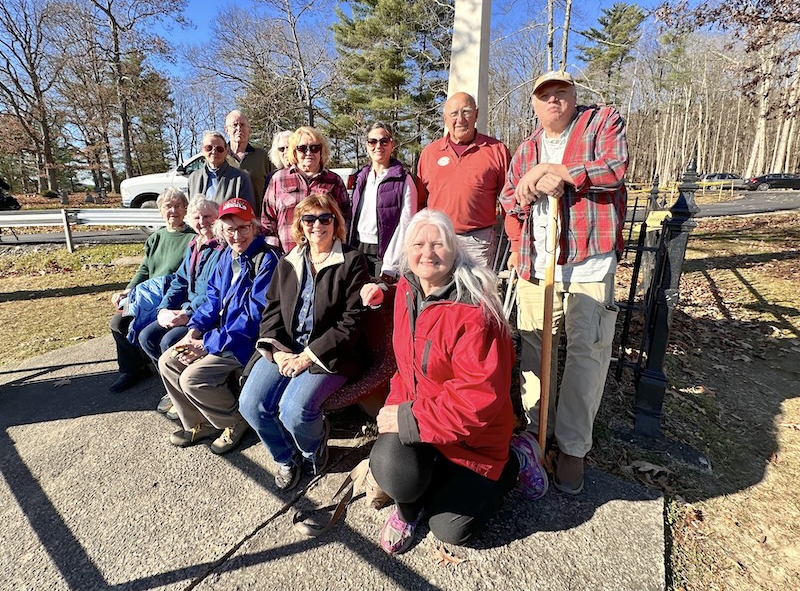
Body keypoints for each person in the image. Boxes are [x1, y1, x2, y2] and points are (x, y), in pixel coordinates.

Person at [362, 210, 547, 556]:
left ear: (455, 250)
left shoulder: (476, 313)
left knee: (450, 529)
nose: (427, 252)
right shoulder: (407, 288)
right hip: (425, 418)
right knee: (390, 465)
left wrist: (407, 419)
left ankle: (515, 460)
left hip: (475, 439)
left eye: (438, 244)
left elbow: (478, 402)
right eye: (418, 244)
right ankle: (408, 511)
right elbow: (410, 358)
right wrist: (382, 293)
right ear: (406, 251)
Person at [499, 69, 628, 495]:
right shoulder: (527, 147)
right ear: (534, 105)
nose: (553, 100)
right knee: (536, 348)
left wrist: (560, 171)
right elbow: (507, 198)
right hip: (539, 264)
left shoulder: (602, 123)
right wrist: (525, 190)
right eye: (544, 95)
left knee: (586, 355)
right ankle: (537, 434)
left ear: (573, 96)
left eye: (561, 92)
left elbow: (613, 169)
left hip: (589, 263)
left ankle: (572, 448)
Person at [240, 194, 371, 490]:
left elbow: (351, 322)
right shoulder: (289, 262)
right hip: (288, 347)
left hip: (331, 353)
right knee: (250, 403)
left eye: (325, 218)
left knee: (294, 410)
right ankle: (286, 457)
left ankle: (313, 450)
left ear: (335, 222)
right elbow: (271, 310)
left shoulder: (351, 261)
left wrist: (308, 356)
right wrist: (277, 352)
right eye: (309, 219)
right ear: (300, 224)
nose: (317, 225)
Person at [158, 198, 280, 455]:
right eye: (230, 229)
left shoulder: (266, 260)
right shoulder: (226, 255)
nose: (237, 236)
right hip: (221, 335)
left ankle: (234, 420)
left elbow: (252, 318)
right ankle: (199, 422)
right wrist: (194, 330)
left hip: (246, 343)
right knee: (168, 361)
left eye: (243, 228)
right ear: (222, 231)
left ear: (254, 227)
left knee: (193, 379)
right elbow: (213, 298)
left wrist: (206, 345)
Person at [137, 196, 225, 415]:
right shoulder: (194, 244)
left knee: (169, 341)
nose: (202, 221)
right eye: (197, 217)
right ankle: (173, 386)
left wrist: (186, 313)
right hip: (185, 309)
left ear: (217, 219)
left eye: (207, 216)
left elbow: (213, 292)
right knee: (146, 336)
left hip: (205, 313)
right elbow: (180, 281)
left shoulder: (222, 248)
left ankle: (189, 394)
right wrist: (164, 308)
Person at [109, 188, 195, 393]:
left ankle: (169, 379)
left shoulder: (192, 238)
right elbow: (145, 269)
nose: (173, 210)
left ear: (185, 209)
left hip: (171, 296)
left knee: (149, 331)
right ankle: (133, 369)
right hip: (147, 294)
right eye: (168, 206)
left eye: (178, 206)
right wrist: (128, 290)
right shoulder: (155, 238)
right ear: (160, 211)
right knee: (117, 322)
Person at [417, 92, 510, 268]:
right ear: (445, 118)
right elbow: (419, 204)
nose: (460, 119)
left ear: (477, 114)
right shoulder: (430, 153)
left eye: (466, 112)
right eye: (453, 113)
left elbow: (510, 202)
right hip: (438, 239)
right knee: (439, 293)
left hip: (478, 242)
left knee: (476, 292)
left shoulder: (496, 151)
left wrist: (516, 243)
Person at [260, 126, 351, 254]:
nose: (309, 153)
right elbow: (267, 220)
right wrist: (274, 252)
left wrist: (338, 245)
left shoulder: (334, 181)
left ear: (321, 151)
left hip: (325, 256)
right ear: (294, 152)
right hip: (287, 256)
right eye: (302, 148)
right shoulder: (278, 179)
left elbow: (345, 217)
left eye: (314, 148)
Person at [348, 122, 418, 281]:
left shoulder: (404, 180)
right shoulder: (361, 177)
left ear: (392, 144)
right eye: (372, 141)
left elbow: (406, 225)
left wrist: (390, 264)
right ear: (366, 145)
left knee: (380, 302)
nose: (378, 146)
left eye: (384, 141)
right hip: (357, 250)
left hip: (384, 255)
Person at [187, 130, 256, 208]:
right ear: (202, 150)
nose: (214, 151)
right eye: (209, 148)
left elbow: (248, 212)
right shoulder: (193, 178)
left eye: (219, 149)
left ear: (226, 151)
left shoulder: (240, 178)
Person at [225, 110, 270, 213]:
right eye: (235, 125)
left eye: (242, 125)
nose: (239, 129)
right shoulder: (220, 157)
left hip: (257, 221)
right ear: (226, 130)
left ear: (249, 130)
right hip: (228, 223)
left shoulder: (262, 156)